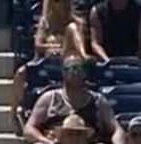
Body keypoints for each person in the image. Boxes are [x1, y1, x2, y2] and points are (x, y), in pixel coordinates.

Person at [22, 59, 122, 144]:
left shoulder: (98, 100)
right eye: (70, 69)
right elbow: (29, 129)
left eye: (79, 68)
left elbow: (116, 129)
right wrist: (46, 142)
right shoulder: (50, 98)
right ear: (63, 73)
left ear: (85, 73)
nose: (75, 72)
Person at [10, 0, 87, 128]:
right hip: (47, 61)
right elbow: (38, 45)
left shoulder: (76, 24)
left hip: (67, 61)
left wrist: (61, 50)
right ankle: (14, 112)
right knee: (21, 73)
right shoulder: (45, 23)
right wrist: (51, 48)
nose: (59, 5)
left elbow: (77, 46)